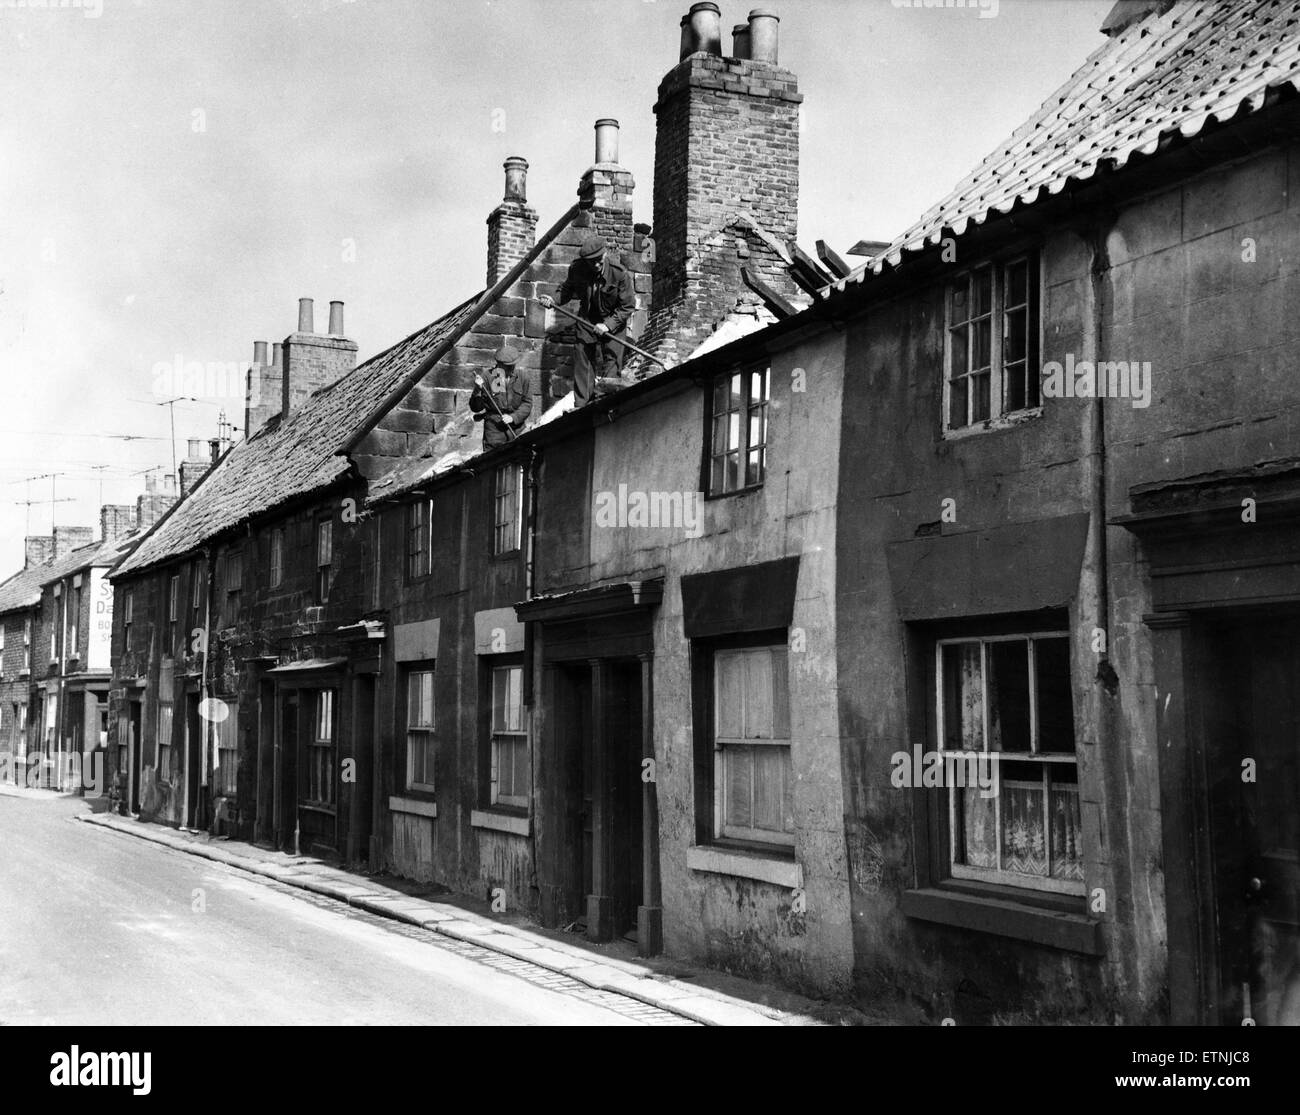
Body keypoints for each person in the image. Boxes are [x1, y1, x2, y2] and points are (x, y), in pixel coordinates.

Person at [538, 230, 635, 407]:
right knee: (582, 358)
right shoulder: (577, 269)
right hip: (588, 319)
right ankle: (582, 405)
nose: (596, 265)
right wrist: (554, 299)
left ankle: (607, 403)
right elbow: (567, 290)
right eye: (591, 262)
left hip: (614, 321)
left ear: (605, 254)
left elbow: (627, 307)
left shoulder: (620, 274)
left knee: (612, 360)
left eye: (599, 261)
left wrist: (607, 325)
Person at [469, 344, 532, 449]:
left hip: (517, 429)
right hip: (494, 431)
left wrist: (513, 417)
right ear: (499, 364)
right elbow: (476, 408)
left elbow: (527, 403)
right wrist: (477, 390)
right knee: (492, 462)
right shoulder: (487, 377)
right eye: (508, 366)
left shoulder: (522, 377)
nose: (511, 368)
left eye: (513, 365)